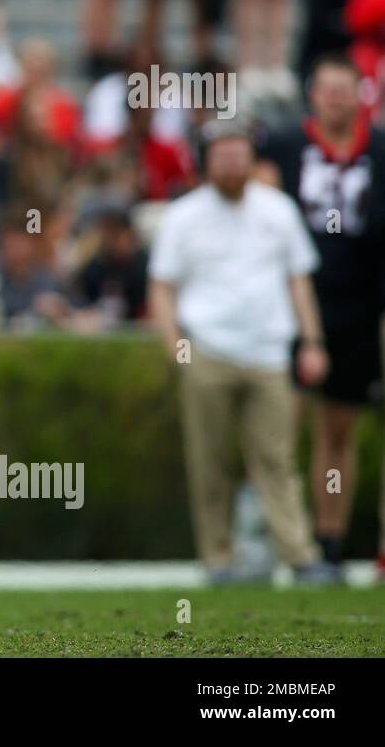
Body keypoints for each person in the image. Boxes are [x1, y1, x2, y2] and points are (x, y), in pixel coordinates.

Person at [148, 118, 338, 584]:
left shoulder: (278, 210)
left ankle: (299, 554)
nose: (232, 165)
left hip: (268, 352)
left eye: (240, 155)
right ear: (206, 162)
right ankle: (219, 560)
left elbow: (299, 280)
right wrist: (175, 346)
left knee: (277, 459)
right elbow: (162, 287)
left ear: (252, 160)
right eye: (223, 156)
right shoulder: (183, 216)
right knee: (210, 461)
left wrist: (311, 341)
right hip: (208, 351)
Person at [255, 54, 385, 581]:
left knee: (338, 430)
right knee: (278, 430)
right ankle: (283, 541)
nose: (335, 98)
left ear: (359, 94)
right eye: (326, 89)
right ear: (312, 95)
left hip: (360, 306)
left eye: (344, 89)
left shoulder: (378, 150)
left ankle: (329, 542)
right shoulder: (285, 145)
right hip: (291, 304)